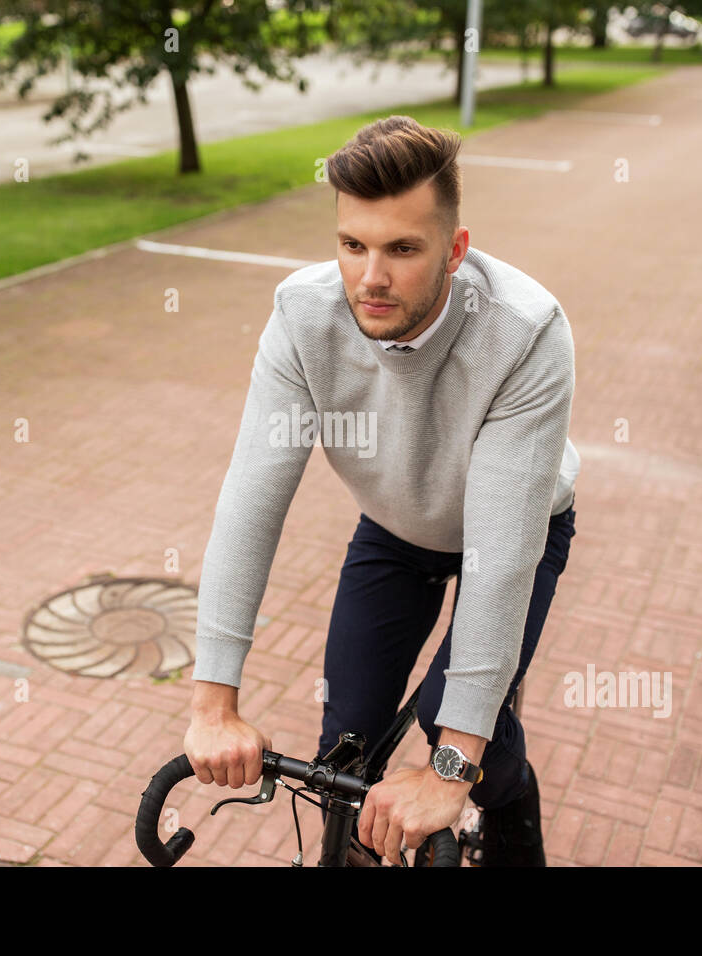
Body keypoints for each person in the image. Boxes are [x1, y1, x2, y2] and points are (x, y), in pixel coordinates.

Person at [182, 115, 579, 866]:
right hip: (397, 527)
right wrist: (213, 705)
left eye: (402, 248)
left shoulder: (525, 332)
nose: (371, 277)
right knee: (345, 742)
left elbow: (498, 561)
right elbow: (252, 501)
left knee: (449, 713)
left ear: (455, 250)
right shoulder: (303, 316)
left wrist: (453, 766)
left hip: (521, 529)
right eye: (352, 245)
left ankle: (511, 799)